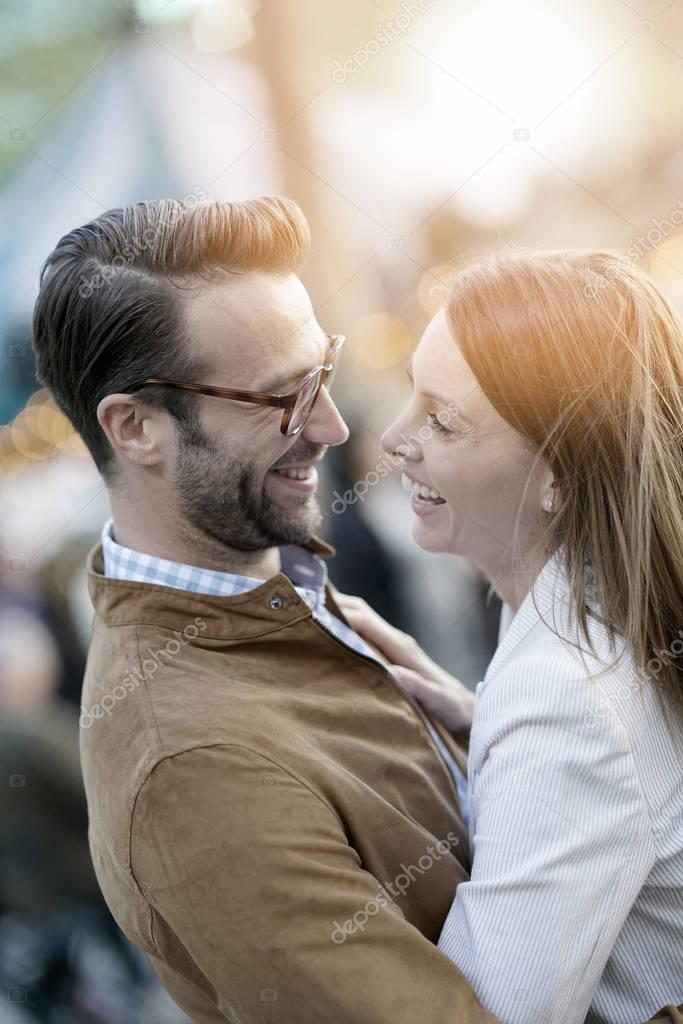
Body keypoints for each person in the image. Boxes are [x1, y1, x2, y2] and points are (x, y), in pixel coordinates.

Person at [31, 195, 493, 1023]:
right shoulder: (190, 768)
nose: (331, 422)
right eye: (280, 397)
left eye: (323, 370)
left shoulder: (273, 591)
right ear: (135, 427)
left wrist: (490, 737)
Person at [339, 247, 683, 1023]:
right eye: (408, 396)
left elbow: (486, 1014)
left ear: (557, 474)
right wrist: (484, 718)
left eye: (443, 419)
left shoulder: (564, 699)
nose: (394, 438)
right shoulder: (580, 623)